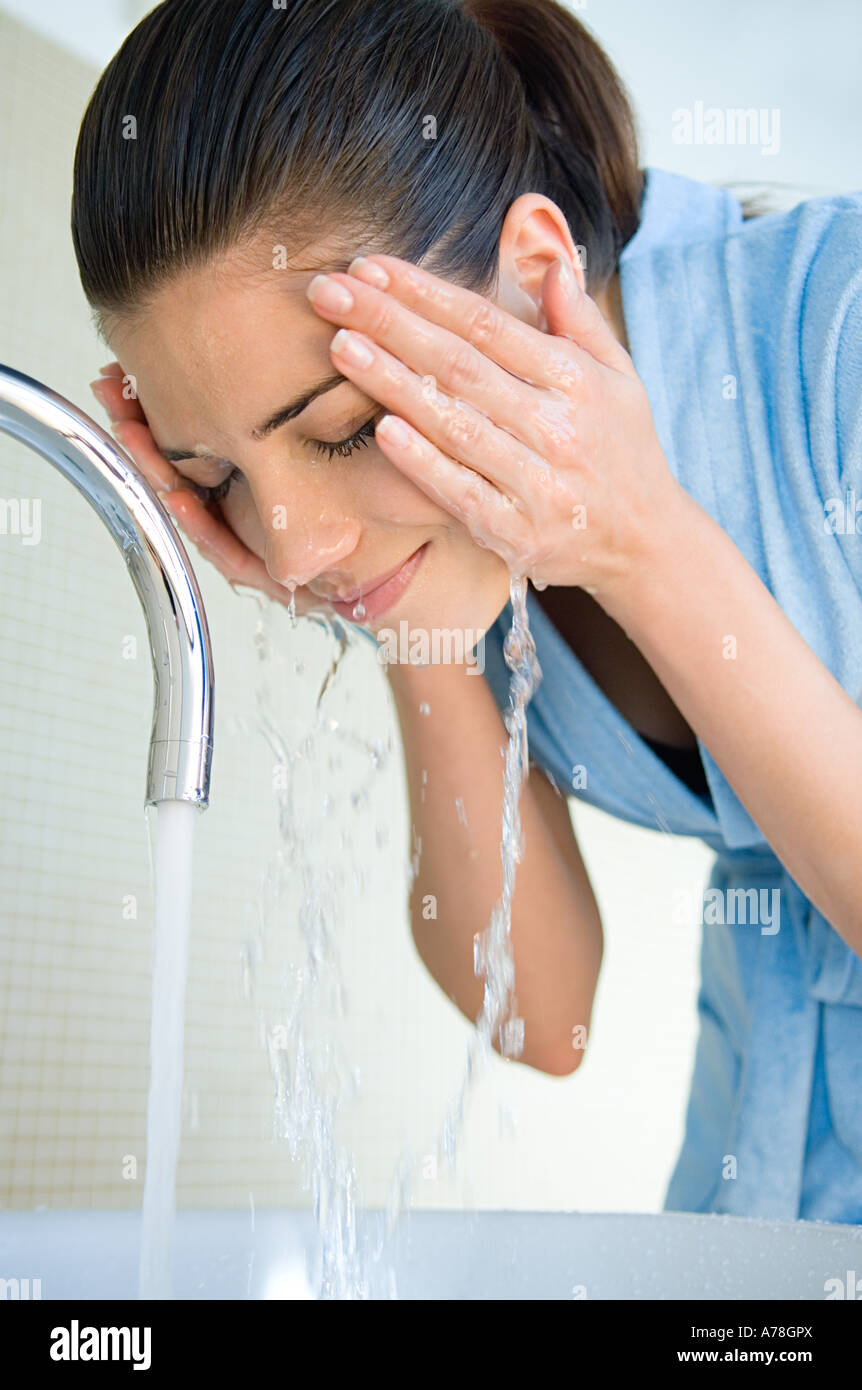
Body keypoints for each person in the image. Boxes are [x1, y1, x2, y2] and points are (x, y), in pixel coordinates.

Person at [75, 0, 862, 1223]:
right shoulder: (455, 552)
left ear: (537, 278)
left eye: (338, 428)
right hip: (769, 1192)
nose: (289, 549)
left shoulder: (836, 339)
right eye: (222, 474)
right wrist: (398, 607)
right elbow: (541, 1018)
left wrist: (641, 539)